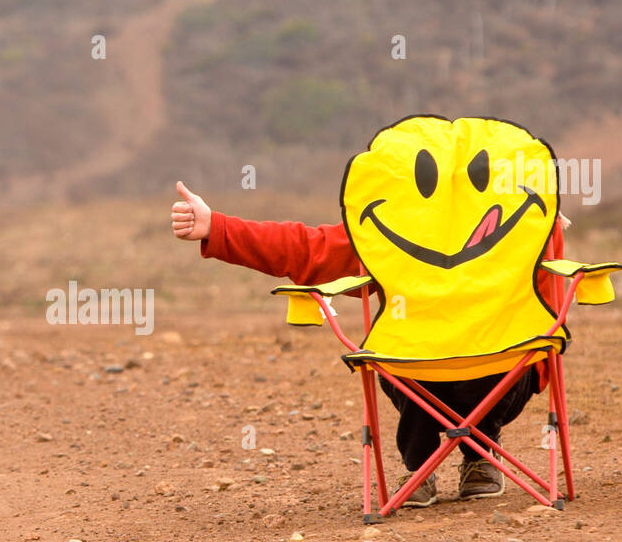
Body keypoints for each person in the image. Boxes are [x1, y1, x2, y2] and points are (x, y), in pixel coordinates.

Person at [170, 181, 564, 506]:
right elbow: (306, 246)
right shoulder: (522, 228)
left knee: (405, 354)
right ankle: (474, 455)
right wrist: (546, 224)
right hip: (501, 376)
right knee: (474, 353)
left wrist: (218, 227)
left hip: (433, 379)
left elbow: (305, 248)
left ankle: (424, 467)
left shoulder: (393, 231)